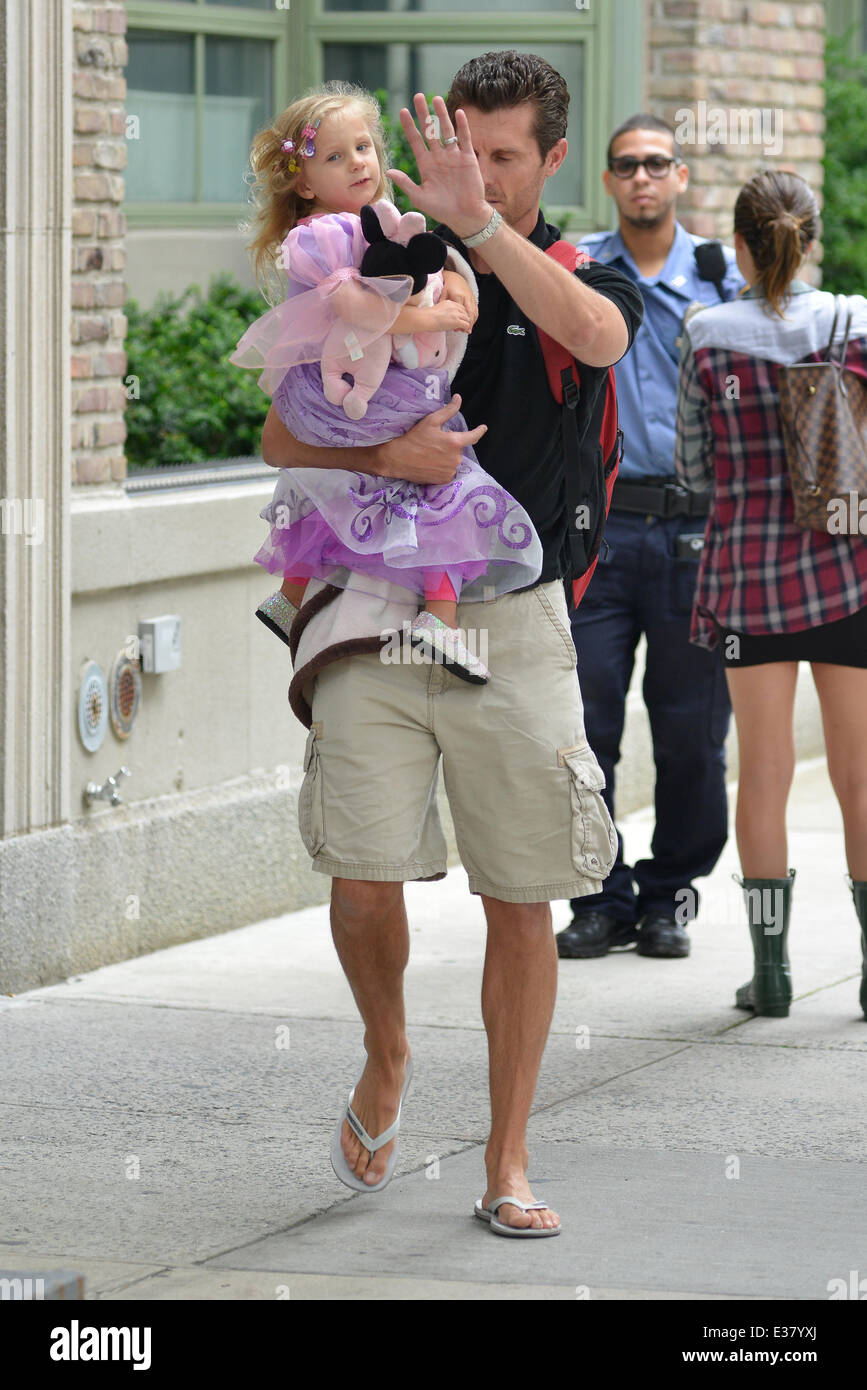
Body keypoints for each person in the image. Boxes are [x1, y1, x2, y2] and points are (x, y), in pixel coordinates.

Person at [261, 52, 644, 1236]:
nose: (464, 172)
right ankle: (387, 1049)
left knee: (520, 888)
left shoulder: (569, 263)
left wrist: (479, 228)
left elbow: (600, 339)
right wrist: (383, 458)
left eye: (500, 157)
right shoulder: (370, 252)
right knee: (364, 869)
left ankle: (508, 1157)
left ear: (550, 162)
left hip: (511, 620)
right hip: (376, 607)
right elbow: (282, 433)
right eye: (455, 148)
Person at [232, 84, 543, 684]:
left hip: (354, 393)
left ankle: (289, 597)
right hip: (353, 390)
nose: (359, 162)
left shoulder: (381, 226)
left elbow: (426, 268)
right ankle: (442, 621)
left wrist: (453, 283)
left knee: (338, 485)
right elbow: (358, 307)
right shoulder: (321, 235)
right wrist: (434, 316)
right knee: (451, 478)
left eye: (365, 147)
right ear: (302, 182)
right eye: (335, 156)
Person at [674, 168, 867, 1019]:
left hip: (749, 578)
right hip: (850, 571)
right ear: (811, 237)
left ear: (742, 245)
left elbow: (690, 467)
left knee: (761, 771)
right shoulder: (856, 320)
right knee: (859, 776)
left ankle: (771, 971)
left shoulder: (706, 332)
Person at [555, 114, 744, 964]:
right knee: (581, 722)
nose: (641, 178)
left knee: (690, 728)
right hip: (601, 529)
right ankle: (597, 895)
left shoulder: (720, 278)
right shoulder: (580, 268)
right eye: (626, 165)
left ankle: (670, 894)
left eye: (656, 164)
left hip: (697, 532)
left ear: (679, 178)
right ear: (608, 180)